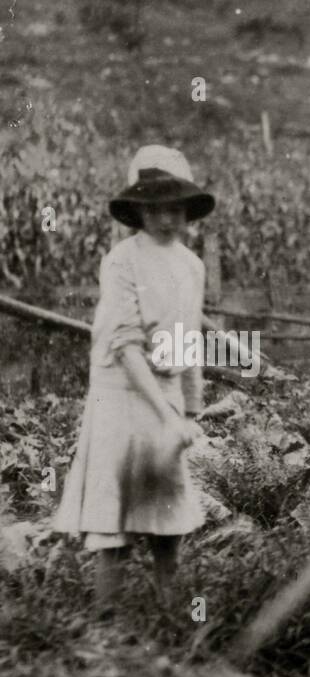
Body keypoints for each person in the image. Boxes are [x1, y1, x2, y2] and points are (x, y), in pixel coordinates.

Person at [53, 145, 212, 612]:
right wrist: (166, 413)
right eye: (155, 209)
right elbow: (125, 345)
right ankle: (107, 626)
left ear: (187, 211)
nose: (166, 219)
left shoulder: (192, 265)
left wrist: (191, 408)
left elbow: (186, 339)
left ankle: (169, 612)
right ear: (139, 210)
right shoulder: (122, 260)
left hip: (164, 391)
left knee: (169, 510)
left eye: (175, 208)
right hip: (121, 394)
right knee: (115, 516)